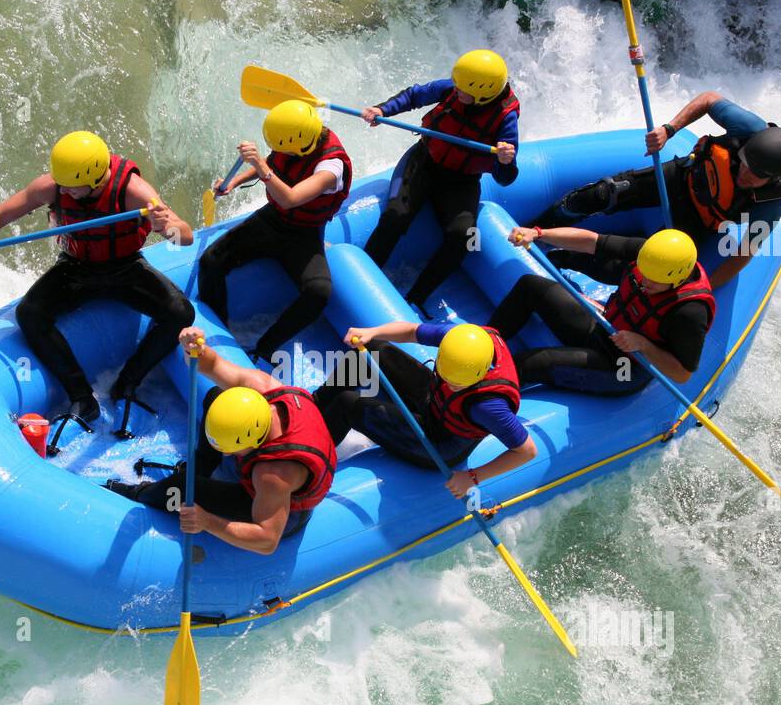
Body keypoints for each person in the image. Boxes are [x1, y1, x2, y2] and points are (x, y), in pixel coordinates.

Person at [0, 131, 194, 423]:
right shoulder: (54, 185)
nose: (65, 191)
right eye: (63, 185)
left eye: (74, 187)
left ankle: (128, 382)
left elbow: (183, 236)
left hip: (125, 268)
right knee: (30, 314)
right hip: (76, 268)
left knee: (181, 313)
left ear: (96, 177)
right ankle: (81, 396)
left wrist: (166, 227)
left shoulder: (135, 192)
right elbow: (1, 214)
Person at [104, 326, 337, 555]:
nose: (228, 455)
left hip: (284, 513)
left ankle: (137, 493)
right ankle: (202, 467)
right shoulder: (261, 387)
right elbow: (213, 365)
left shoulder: (271, 476)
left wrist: (208, 522)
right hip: (286, 458)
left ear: (256, 441)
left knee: (180, 487)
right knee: (216, 396)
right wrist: (197, 349)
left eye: (233, 450)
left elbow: (267, 541)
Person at [534, 91, 781, 288]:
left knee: (647, 270)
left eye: (755, 176)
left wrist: (705, 287)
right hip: (682, 176)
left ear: (771, 179)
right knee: (605, 192)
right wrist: (669, 129)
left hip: (697, 222)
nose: (745, 174)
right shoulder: (748, 128)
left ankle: (564, 258)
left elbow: (744, 252)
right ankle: (536, 232)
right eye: (744, 164)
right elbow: (709, 99)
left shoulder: (771, 202)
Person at [360, 49, 520, 316]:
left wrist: (505, 160)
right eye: (456, 84)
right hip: (424, 160)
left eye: (462, 89)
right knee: (394, 217)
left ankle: (415, 298)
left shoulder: (506, 120)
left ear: (482, 94)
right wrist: (382, 109)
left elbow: (506, 179)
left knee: (465, 238)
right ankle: (366, 279)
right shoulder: (454, 88)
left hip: (461, 180)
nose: (456, 90)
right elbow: (415, 95)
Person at [198, 100, 352, 364]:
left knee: (318, 293)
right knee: (211, 260)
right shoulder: (295, 140)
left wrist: (259, 164)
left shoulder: (332, 167)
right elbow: (273, 162)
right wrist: (232, 182)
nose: (277, 152)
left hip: (304, 234)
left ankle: (266, 346)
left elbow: (291, 198)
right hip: (272, 221)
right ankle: (221, 331)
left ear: (301, 144)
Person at [312, 323, 536, 498]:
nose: (448, 384)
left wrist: (473, 477)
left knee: (347, 404)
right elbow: (411, 330)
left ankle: (308, 463)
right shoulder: (459, 339)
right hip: (435, 402)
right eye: (445, 376)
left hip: (440, 443)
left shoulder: (488, 406)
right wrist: (372, 332)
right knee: (371, 350)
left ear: (478, 375)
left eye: (455, 384)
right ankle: (315, 405)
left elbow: (527, 451)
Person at [490, 226, 715, 396]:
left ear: (677, 280)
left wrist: (643, 345)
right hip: (604, 328)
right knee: (531, 285)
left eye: (654, 282)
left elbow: (682, 374)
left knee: (528, 363)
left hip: (623, 366)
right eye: (643, 273)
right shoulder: (651, 255)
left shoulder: (690, 313)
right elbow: (592, 242)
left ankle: (479, 396)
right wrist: (538, 233)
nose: (644, 281)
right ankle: (485, 345)